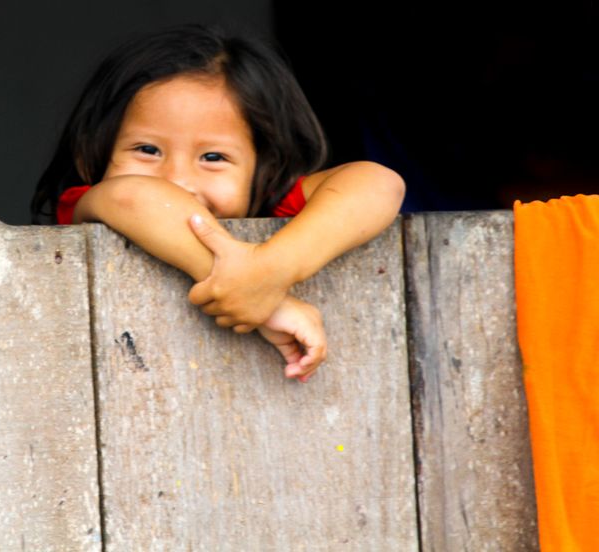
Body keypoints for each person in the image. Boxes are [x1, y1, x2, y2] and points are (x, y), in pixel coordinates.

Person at [32, 24, 405, 383]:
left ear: (265, 168)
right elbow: (132, 196)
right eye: (147, 150)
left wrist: (274, 270)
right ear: (89, 156)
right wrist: (264, 300)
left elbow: (380, 184)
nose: (178, 179)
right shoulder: (92, 205)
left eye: (212, 157)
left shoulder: (274, 206)